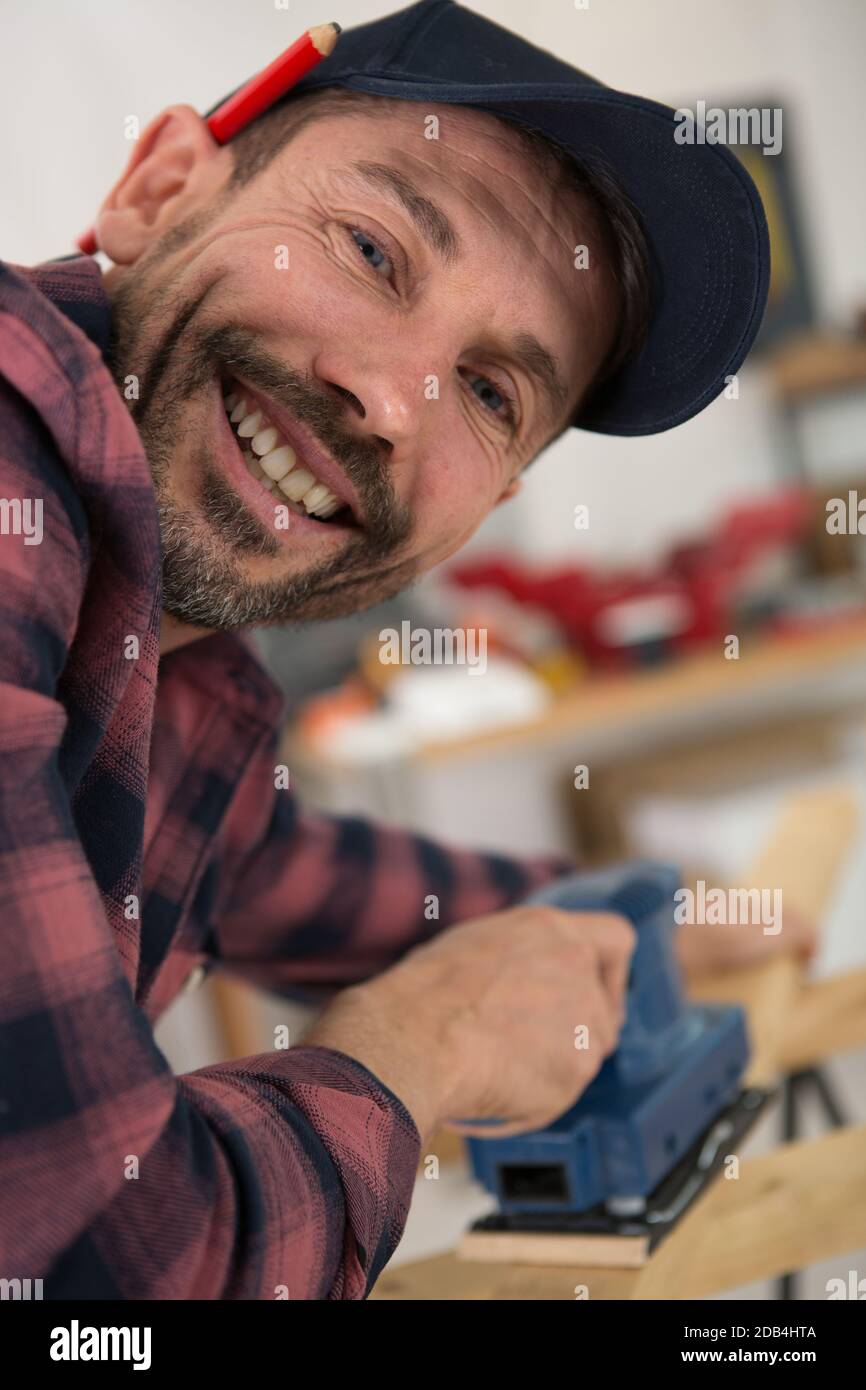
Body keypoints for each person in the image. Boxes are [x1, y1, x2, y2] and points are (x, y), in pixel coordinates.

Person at [0, 0, 808, 1299]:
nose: (388, 402)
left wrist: (638, 918)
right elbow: (116, 1273)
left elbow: (286, 870)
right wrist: (421, 1042)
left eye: (490, 393)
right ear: (157, 190)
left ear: (486, 509)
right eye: (372, 249)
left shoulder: (181, 672)